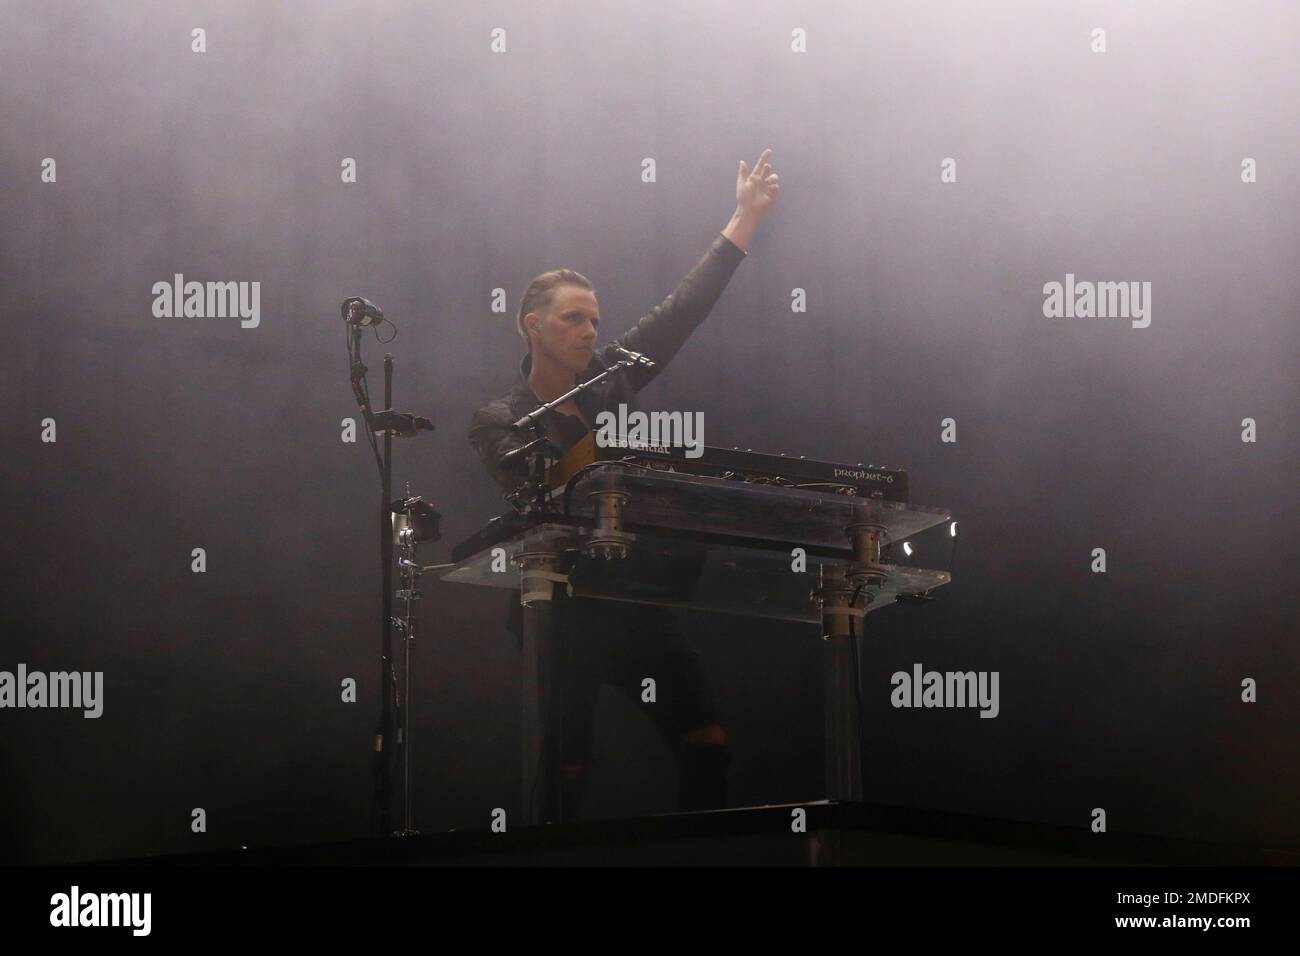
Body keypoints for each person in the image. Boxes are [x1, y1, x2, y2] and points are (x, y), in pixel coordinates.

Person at [468, 149, 779, 819]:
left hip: (635, 594)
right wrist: (607, 453)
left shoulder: (611, 377)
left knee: (707, 743)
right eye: (573, 319)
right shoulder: (499, 419)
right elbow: (535, 490)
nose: (589, 332)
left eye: (595, 322)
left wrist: (744, 217)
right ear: (534, 326)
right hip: (567, 606)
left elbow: (681, 311)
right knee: (566, 766)